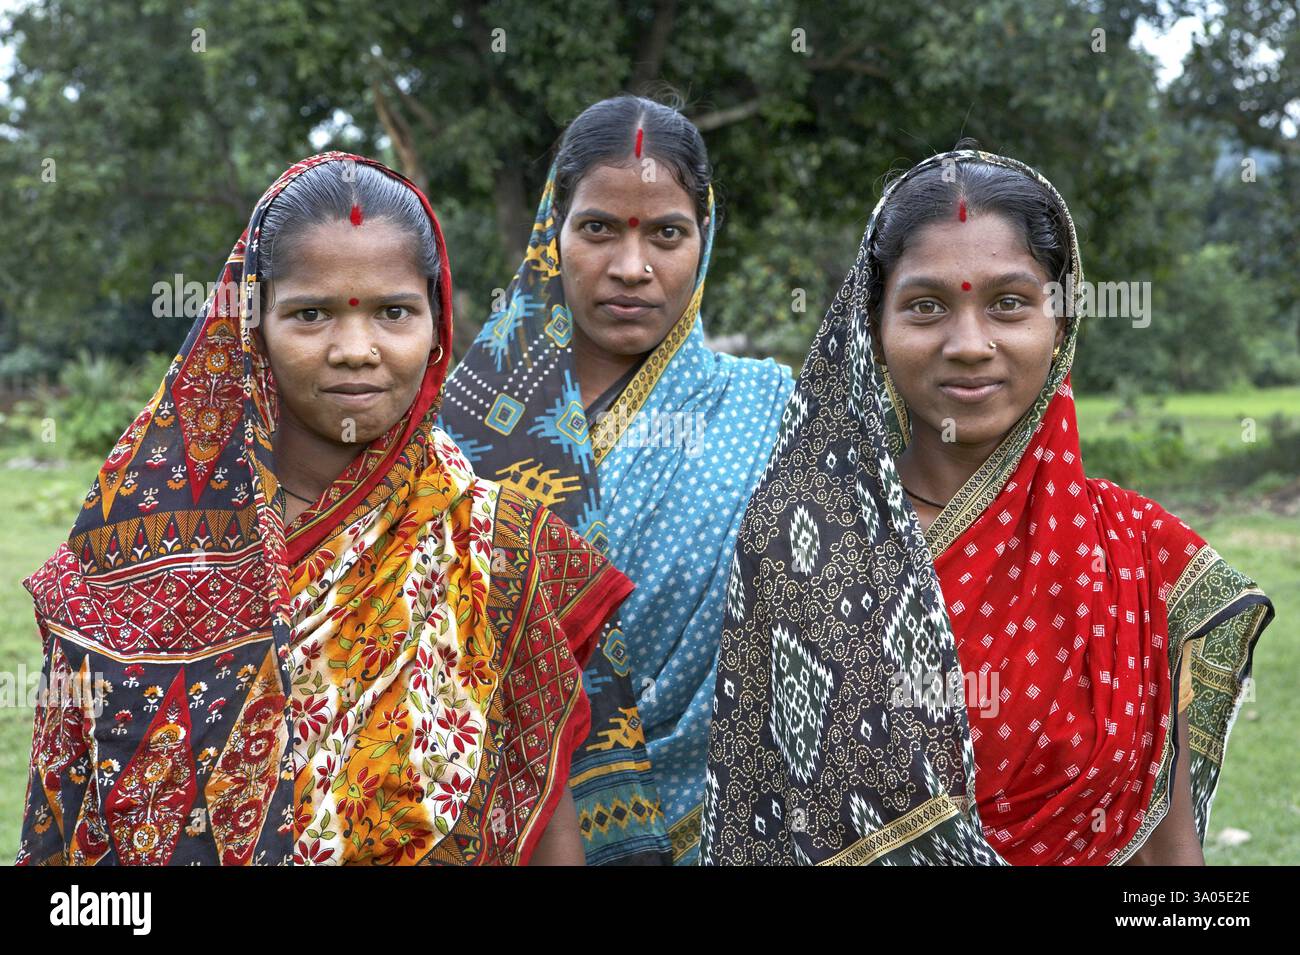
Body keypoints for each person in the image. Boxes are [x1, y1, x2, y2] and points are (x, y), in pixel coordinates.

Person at [16, 152, 631, 866]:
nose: (355, 350)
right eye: (310, 314)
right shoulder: (135, 550)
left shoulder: (503, 548)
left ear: (437, 321)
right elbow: (72, 817)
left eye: (394, 312)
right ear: (253, 327)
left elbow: (545, 818)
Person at [700, 146, 1273, 865]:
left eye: (1008, 303)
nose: (969, 345)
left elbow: (1170, 849)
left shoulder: (1141, 556)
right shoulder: (802, 542)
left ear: (1060, 323)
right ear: (872, 328)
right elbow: (764, 821)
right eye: (926, 305)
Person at [440, 95, 794, 864]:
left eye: (667, 233)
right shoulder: (466, 426)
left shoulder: (773, 411)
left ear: (704, 241)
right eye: (599, 227)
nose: (631, 267)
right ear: (552, 234)